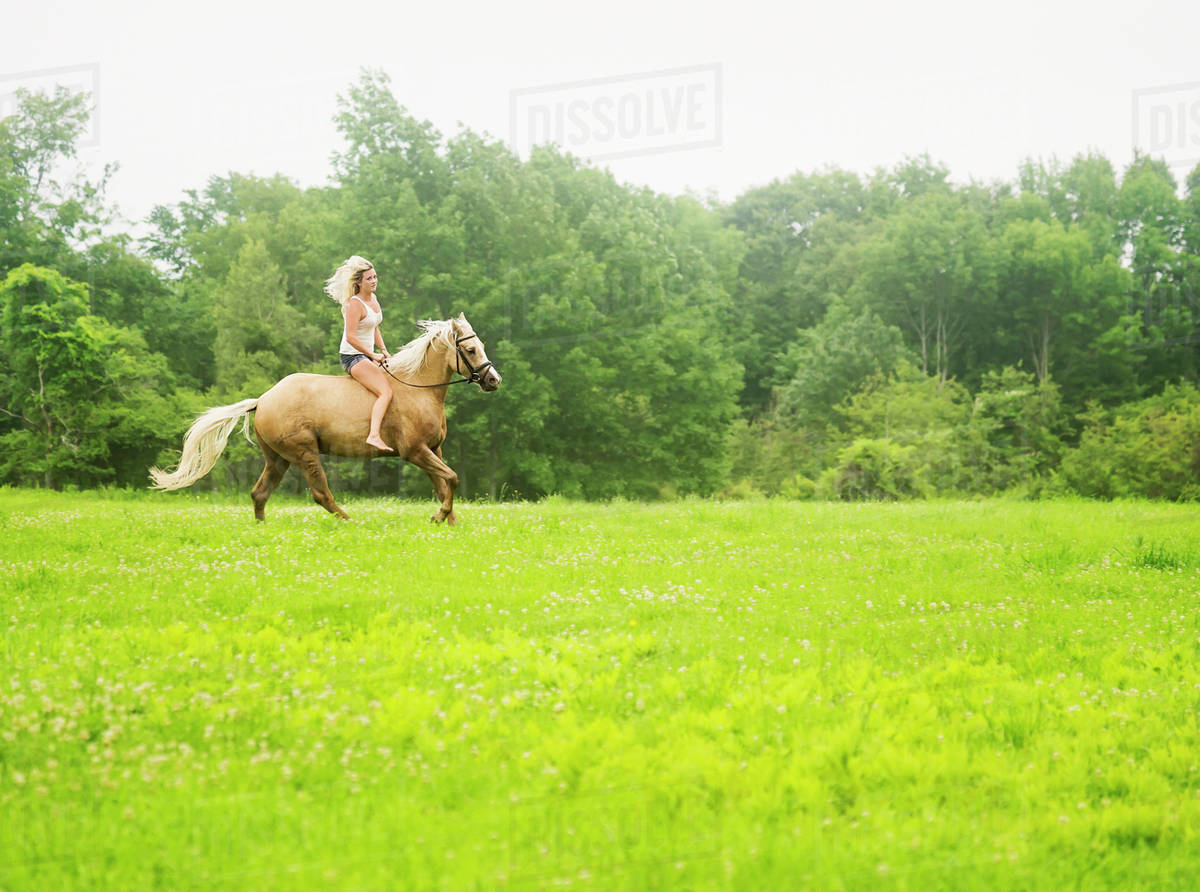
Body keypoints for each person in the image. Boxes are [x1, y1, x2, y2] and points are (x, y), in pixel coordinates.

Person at [323, 255, 394, 452]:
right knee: (386, 391)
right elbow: (351, 337)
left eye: (375, 277)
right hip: (352, 357)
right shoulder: (355, 304)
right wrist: (373, 356)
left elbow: (374, 327)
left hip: (367, 355)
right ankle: (374, 436)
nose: (374, 281)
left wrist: (384, 350)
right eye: (369, 279)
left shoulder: (374, 299)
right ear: (359, 283)